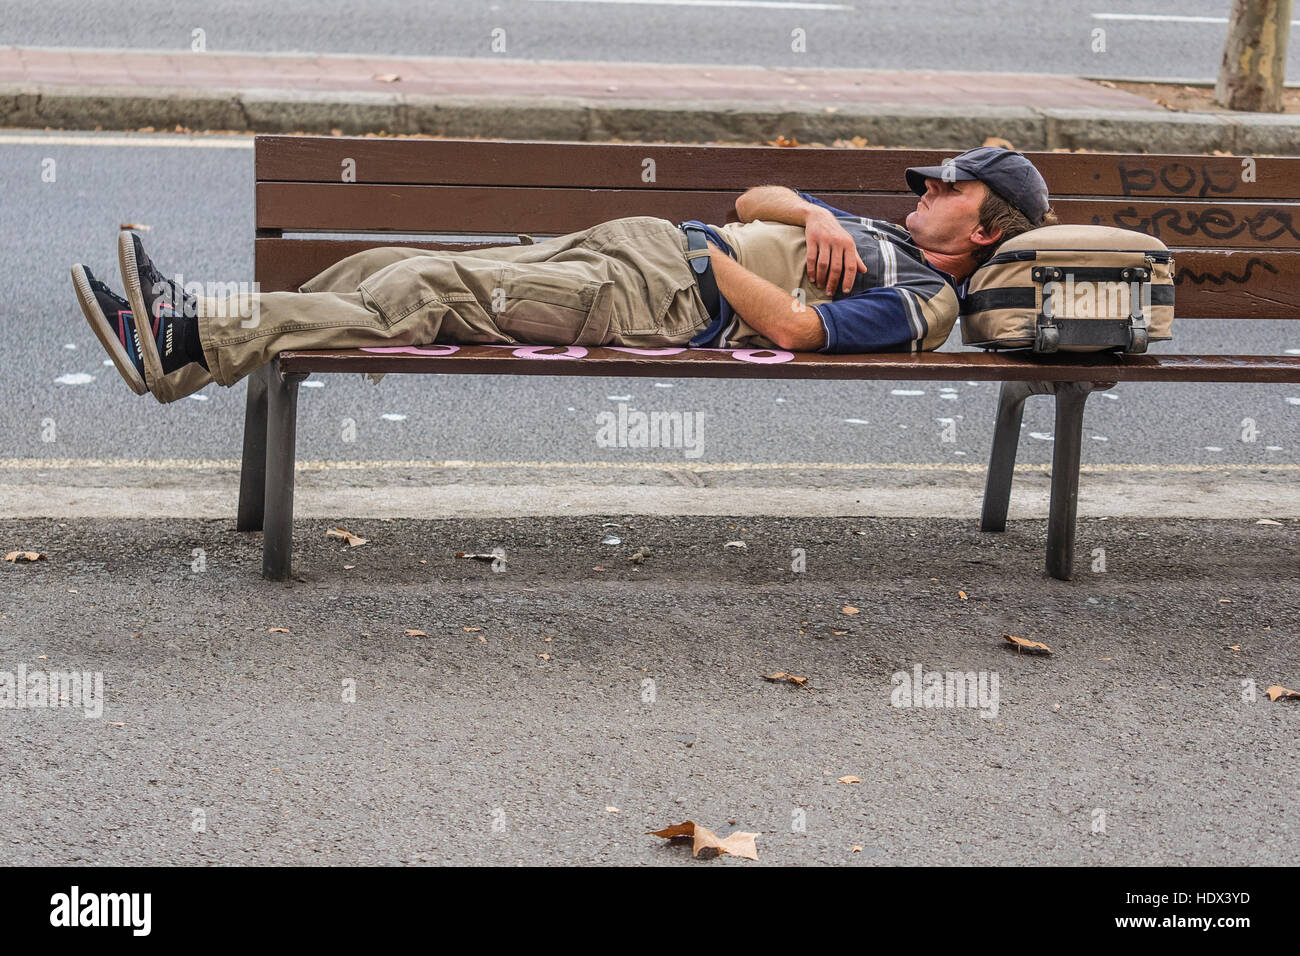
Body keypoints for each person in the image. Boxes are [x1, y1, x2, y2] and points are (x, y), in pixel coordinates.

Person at [71, 146, 1055, 404]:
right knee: (385, 266)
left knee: (418, 299)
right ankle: (188, 342)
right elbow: (757, 200)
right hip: (637, 248)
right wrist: (802, 210)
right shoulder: (878, 230)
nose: (927, 184)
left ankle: (184, 329)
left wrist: (716, 258)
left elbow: (799, 333)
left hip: (659, 296)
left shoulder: (924, 301)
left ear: (981, 223)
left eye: (948, 184)